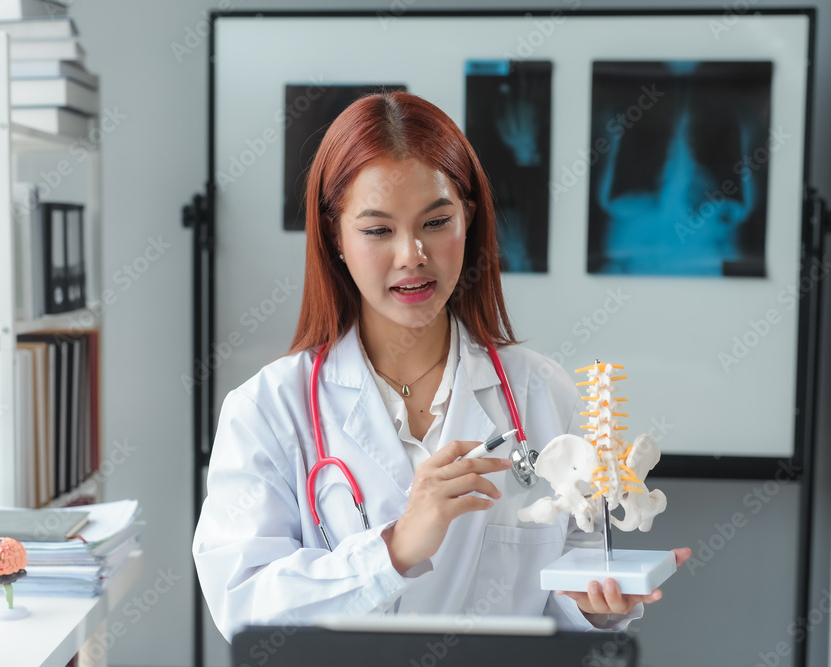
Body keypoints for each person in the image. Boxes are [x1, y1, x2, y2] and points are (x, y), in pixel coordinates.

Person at [192, 91, 690, 642]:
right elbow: (244, 608)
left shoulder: (541, 393)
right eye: (378, 230)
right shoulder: (266, 410)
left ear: (468, 220)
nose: (411, 254)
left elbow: (567, 591)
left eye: (436, 222)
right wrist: (398, 546)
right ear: (335, 236)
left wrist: (595, 609)